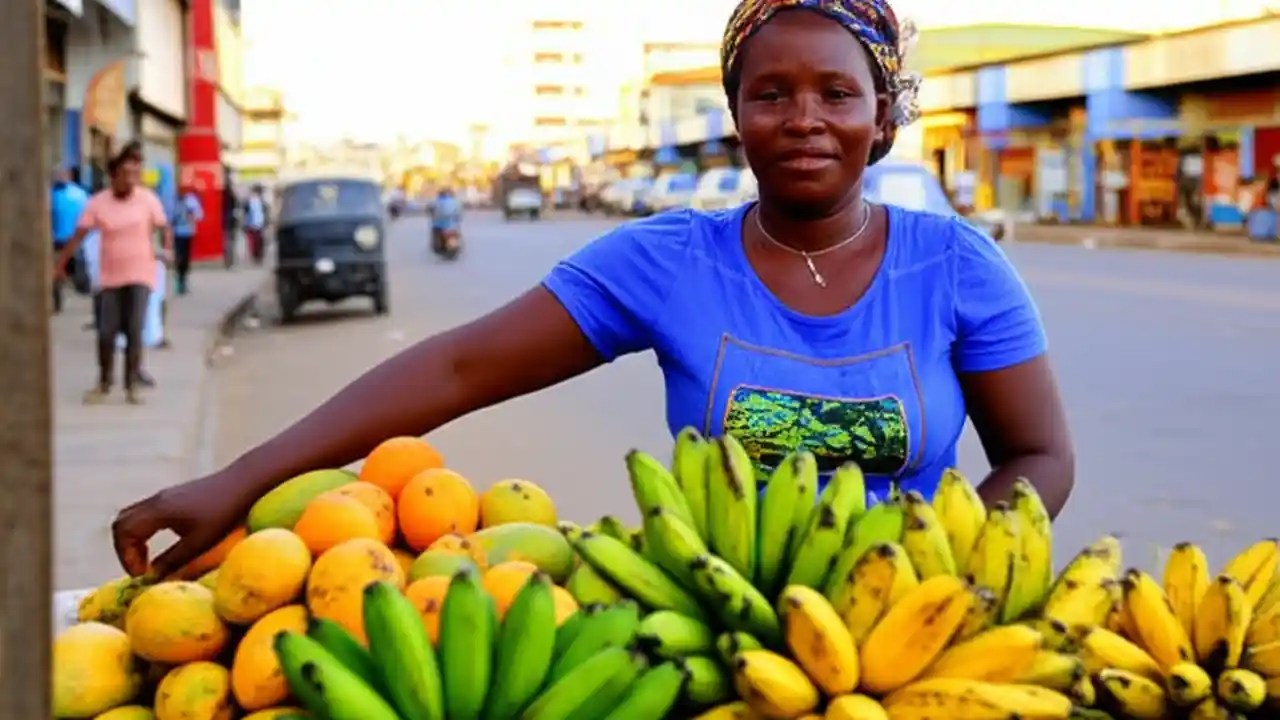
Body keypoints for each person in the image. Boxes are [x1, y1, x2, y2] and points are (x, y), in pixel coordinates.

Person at [109, 0, 1074, 579]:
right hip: (707, 608)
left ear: (883, 117)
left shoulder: (955, 265)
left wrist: (937, 562)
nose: (803, 119)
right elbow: (456, 364)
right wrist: (235, 484)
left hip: (910, 613)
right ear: (735, 114)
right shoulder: (668, 260)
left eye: (836, 93)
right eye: (770, 94)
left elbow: (1037, 454)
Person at [55, 142, 173, 406]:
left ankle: (132, 384)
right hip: (109, 277)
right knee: (106, 331)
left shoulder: (147, 200)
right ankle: (104, 381)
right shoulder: (98, 203)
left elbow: (164, 226)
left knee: (134, 329)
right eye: (126, 174)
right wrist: (60, 264)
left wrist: (167, 249)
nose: (132, 179)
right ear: (114, 176)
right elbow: (79, 235)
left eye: (135, 174)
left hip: (141, 274)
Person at [51, 167, 90, 313]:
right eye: (58, 174)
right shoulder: (52, 194)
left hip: (74, 238)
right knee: (58, 271)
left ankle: (83, 287)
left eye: (62, 173)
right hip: (59, 239)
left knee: (76, 267)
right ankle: (57, 299)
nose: (60, 176)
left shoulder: (78, 194)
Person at [172, 184, 204, 294]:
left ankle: (183, 280)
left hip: (187, 232)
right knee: (179, 257)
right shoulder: (173, 200)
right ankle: (179, 280)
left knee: (185, 258)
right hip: (176, 233)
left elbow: (199, 215)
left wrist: (192, 215)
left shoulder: (191, 200)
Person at [431, 186, 462, 251]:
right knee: (456, 230)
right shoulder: (456, 201)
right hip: (452, 224)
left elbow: (432, 211)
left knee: (436, 232)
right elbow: (459, 213)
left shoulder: (437, 201)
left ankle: (439, 246)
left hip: (440, 224)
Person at [243, 184, 268, 265]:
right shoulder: (250, 201)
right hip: (253, 223)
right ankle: (256, 256)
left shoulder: (260, 202)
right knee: (255, 241)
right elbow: (246, 213)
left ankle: (257, 256)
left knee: (257, 241)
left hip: (257, 223)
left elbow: (264, 213)